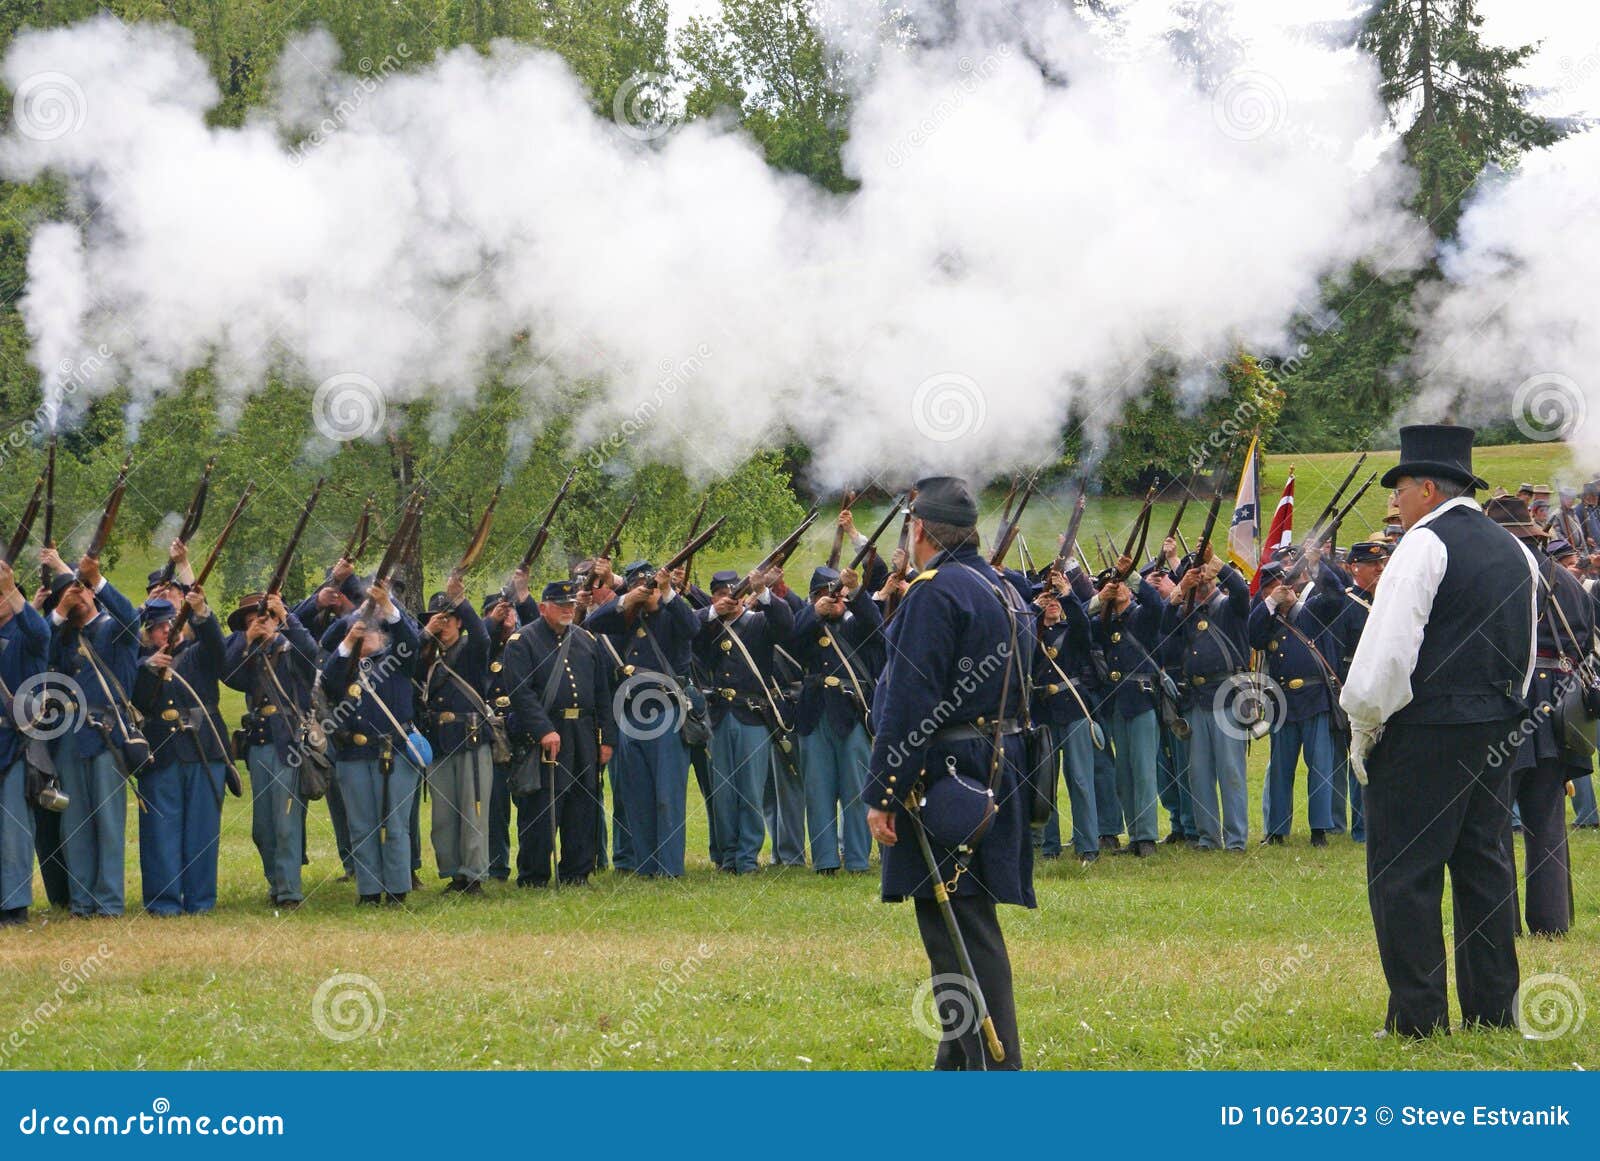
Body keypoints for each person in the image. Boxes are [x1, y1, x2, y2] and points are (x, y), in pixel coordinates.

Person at [1342, 425, 1536, 1037]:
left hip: (1425, 729)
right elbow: (1528, 650)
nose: (1394, 502)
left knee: (1405, 874)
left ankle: (1418, 1019)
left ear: (1428, 488)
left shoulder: (1423, 547)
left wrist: (1364, 723)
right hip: (1497, 725)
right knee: (1486, 869)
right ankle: (1494, 1009)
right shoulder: (1516, 550)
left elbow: (1390, 651)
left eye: (1400, 488)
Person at [865, 477, 1035, 1070]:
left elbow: (908, 701)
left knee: (960, 938)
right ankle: (957, 1070)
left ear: (918, 530)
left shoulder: (934, 592)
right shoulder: (1003, 587)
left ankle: (995, 1069)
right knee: (959, 929)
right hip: (993, 769)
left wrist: (883, 791)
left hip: (947, 777)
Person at [1485, 498, 1586, 936]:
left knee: (1491, 822)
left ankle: (1502, 923)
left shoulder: (1495, 579)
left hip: (1510, 705)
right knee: (1546, 820)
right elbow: (1584, 642)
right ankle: (1551, 921)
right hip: (1559, 707)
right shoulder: (1567, 579)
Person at [584, 560, 699, 878]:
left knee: (667, 796)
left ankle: (670, 867)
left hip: (665, 712)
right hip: (629, 714)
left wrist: (666, 592)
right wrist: (626, 599)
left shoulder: (672, 616)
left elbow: (693, 627)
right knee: (637, 796)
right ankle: (645, 865)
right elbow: (594, 621)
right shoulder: (625, 619)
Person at [43, 548, 140, 918]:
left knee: (109, 824)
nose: (78, 594)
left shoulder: (116, 630)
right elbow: (40, 652)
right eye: (71, 591)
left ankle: (110, 902)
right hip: (69, 737)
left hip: (107, 736)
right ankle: (82, 902)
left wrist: (95, 578)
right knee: (74, 824)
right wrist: (59, 612)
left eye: (83, 589)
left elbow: (131, 617)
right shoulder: (62, 637)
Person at [501, 580, 615, 887]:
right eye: (561, 605)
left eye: (570, 606)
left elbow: (602, 692)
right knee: (542, 808)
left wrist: (607, 738)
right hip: (547, 736)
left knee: (582, 804)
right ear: (542, 608)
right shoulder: (522, 642)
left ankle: (577, 872)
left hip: (582, 734)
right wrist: (544, 731)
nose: (567, 610)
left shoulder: (585, 640)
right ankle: (534, 874)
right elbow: (521, 693)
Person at [320, 583, 423, 904]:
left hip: (393, 751)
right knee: (361, 826)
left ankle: (396, 889)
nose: (367, 636)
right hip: (353, 754)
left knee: (395, 825)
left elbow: (410, 639)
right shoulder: (344, 666)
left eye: (372, 632)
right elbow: (328, 682)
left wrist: (386, 605)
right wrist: (347, 644)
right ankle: (368, 889)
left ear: (384, 637)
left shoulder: (399, 660)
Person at [131, 589, 230, 915]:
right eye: (159, 627)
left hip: (204, 749)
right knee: (160, 833)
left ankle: (200, 901)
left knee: (203, 831)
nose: (166, 631)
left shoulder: (200, 652)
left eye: (172, 624)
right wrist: (148, 669)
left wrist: (201, 611)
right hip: (161, 752)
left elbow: (218, 645)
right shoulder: (138, 662)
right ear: (148, 632)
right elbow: (137, 702)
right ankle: (164, 903)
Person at [223, 591, 322, 908]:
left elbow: (312, 654)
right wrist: (247, 640)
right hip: (258, 743)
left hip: (287, 741)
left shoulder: (292, 649)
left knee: (286, 822)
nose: (257, 623)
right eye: (251, 620)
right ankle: (276, 883)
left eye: (262, 618)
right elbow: (227, 673)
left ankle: (289, 890)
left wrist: (287, 617)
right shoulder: (247, 654)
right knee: (262, 828)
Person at [694, 566, 794, 873]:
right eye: (722, 595)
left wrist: (763, 591)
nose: (729, 600)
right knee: (722, 792)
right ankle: (727, 854)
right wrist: (712, 611)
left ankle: (747, 857)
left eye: (733, 594)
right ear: (714, 597)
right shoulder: (707, 626)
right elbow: (687, 629)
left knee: (750, 791)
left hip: (751, 714)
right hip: (719, 715)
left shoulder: (759, 622)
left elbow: (785, 624)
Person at [789, 565, 881, 874]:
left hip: (851, 713)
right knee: (818, 791)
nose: (835, 601)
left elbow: (874, 623)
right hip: (814, 715)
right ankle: (825, 860)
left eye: (838, 596)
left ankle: (856, 859)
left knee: (855, 790)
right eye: (827, 596)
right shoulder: (808, 624)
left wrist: (854, 591)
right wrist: (815, 611)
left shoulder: (855, 625)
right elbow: (790, 636)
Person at [1249, 551, 1342, 848]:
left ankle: (1320, 829)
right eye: (1275, 587)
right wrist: (1272, 602)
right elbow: (1252, 635)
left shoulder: (1312, 610)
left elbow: (1336, 595)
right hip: (1282, 702)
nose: (1283, 590)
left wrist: (1317, 563)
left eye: (1285, 585)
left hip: (1315, 698)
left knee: (1320, 767)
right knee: (1281, 768)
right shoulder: (1268, 619)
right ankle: (1276, 829)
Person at [1162, 545, 1251, 851]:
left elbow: (1241, 590)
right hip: (1196, 699)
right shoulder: (1186, 613)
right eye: (1195, 575)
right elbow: (1163, 629)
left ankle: (1236, 839)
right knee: (1199, 775)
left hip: (1226, 697)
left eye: (1204, 575)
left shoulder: (1229, 607)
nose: (1201, 581)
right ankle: (1207, 837)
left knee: (1231, 773)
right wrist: (1179, 592)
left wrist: (1219, 565)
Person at [419, 580, 494, 893]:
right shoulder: (427, 657)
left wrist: (460, 598)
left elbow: (482, 633)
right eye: (437, 619)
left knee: (473, 809)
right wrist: (425, 635)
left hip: (470, 737)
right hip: (439, 740)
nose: (442, 624)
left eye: (448, 618)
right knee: (444, 815)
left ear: (459, 622)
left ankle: (473, 874)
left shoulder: (471, 649)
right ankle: (453, 872)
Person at [1093, 557, 1165, 857]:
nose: (1118, 587)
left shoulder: (1141, 616)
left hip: (1141, 699)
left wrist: (1131, 574)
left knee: (1144, 771)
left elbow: (1157, 605)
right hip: (1117, 705)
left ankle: (1147, 836)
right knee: (1123, 774)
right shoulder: (1103, 623)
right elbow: (1081, 625)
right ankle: (1134, 834)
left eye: (1120, 584)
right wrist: (1099, 600)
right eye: (1113, 584)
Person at [1030, 566, 1102, 865]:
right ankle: (1050, 846)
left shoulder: (1070, 632)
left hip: (1072, 708)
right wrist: (1032, 610)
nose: (1053, 602)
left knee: (1080, 779)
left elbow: (1084, 628)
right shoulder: (1029, 634)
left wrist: (1069, 595)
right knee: (1045, 782)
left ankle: (1088, 845)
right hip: (1042, 713)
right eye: (1048, 597)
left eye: (1056, 599)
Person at [1324, 541, 1389, 843]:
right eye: (1372, 564)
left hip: (1389, 687)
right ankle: (1361, 826)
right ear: (1354, 568)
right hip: (1355, 685)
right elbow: (1335, 648)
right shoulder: (1346, 603)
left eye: (1382, 563)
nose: (1379, 569)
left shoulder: (1391, 600)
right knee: (1356, 757)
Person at [0, 559, 49, 926]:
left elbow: (41, 634)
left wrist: (12, 588)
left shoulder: (26, 631)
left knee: (15, 827)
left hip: (14, 740)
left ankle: (14, 905)